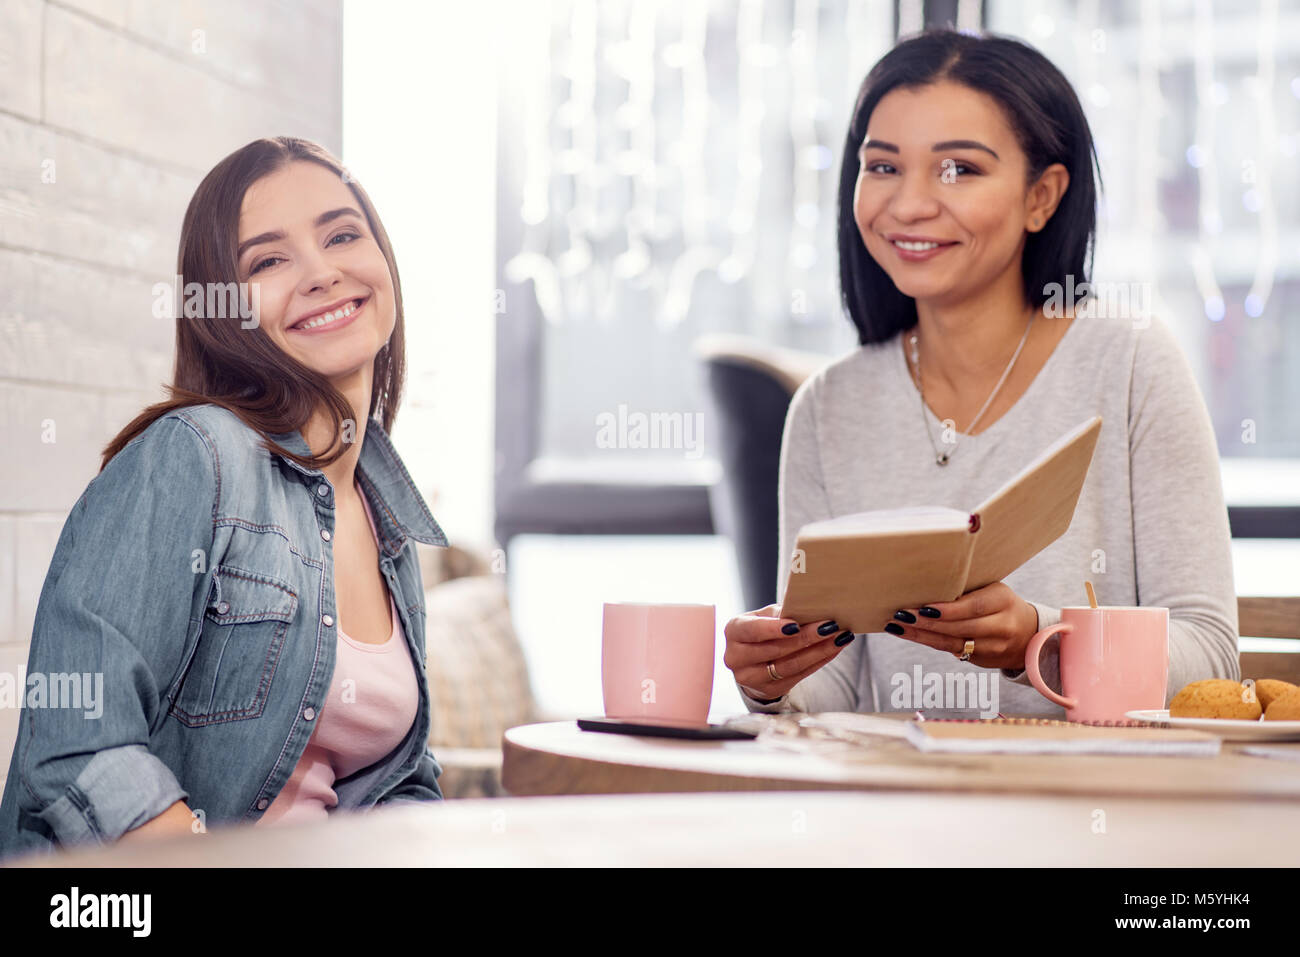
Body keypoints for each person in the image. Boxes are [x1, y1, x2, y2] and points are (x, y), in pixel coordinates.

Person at [723, 30, 1238, 716]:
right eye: (882, 167)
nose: (907, 204)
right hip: (902, 813)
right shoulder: (828, 407)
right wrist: (771, 677)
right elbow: (835, 694)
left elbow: (1210, 658)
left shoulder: (1131, 363)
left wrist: (1039, 640)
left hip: (1094, 808)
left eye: (959, 169)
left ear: (1042, 197)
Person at [0, 137, 449, 859]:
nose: (323, 272)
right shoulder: (197, 454)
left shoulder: (385, 517)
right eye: (269, 261)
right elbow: (80, 746)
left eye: (342, 234)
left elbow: (398, 781)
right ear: (222, 308)